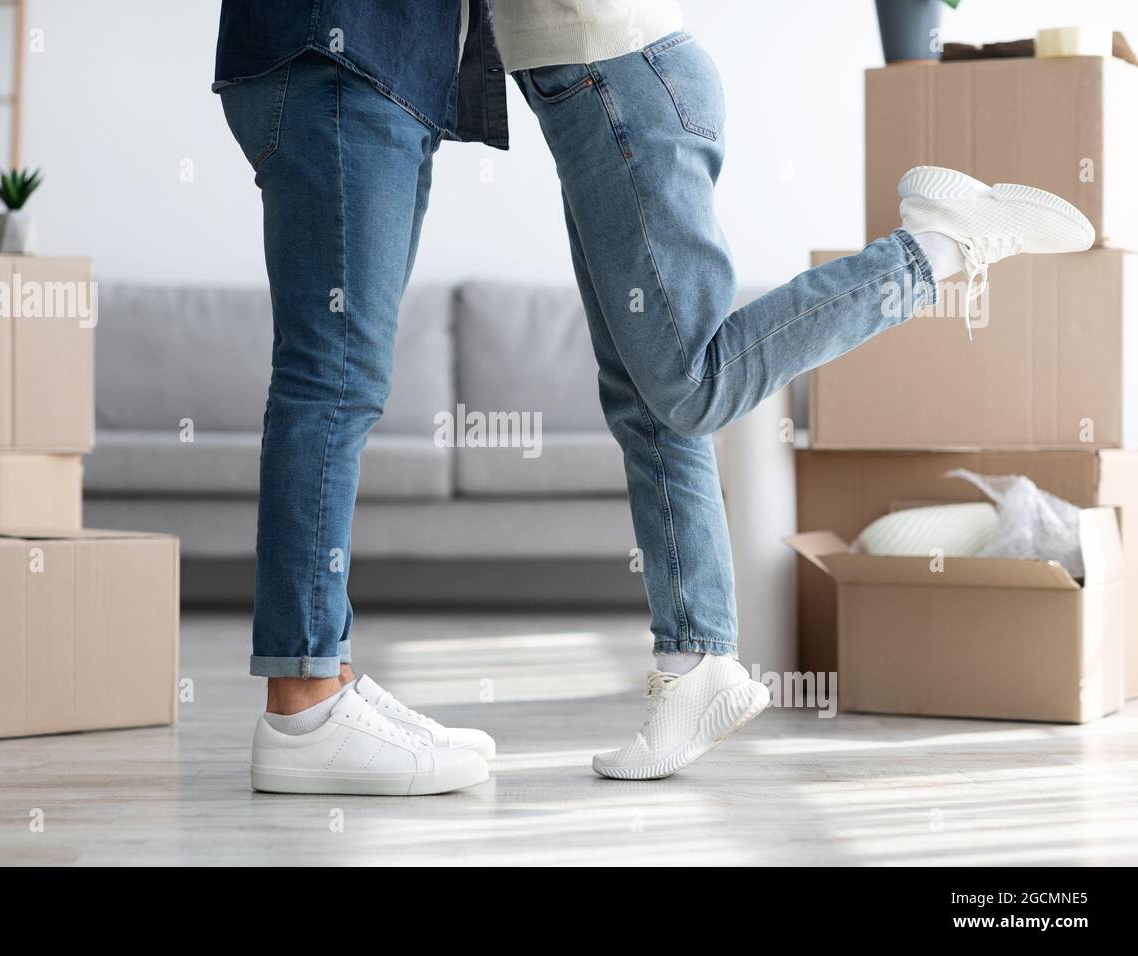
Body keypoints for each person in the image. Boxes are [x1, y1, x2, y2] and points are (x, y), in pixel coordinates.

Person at [491, 0, 1093, 779]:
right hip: (591, 91)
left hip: (614, 78)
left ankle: (937, 246)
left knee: (688, 386)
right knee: (644, 398)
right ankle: (690, 665)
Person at [213, 1, 506, 795]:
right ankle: (302, 707)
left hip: (386, 69)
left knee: (346, 379)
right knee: (331, 380)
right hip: (343, 59)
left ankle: (327, 676)